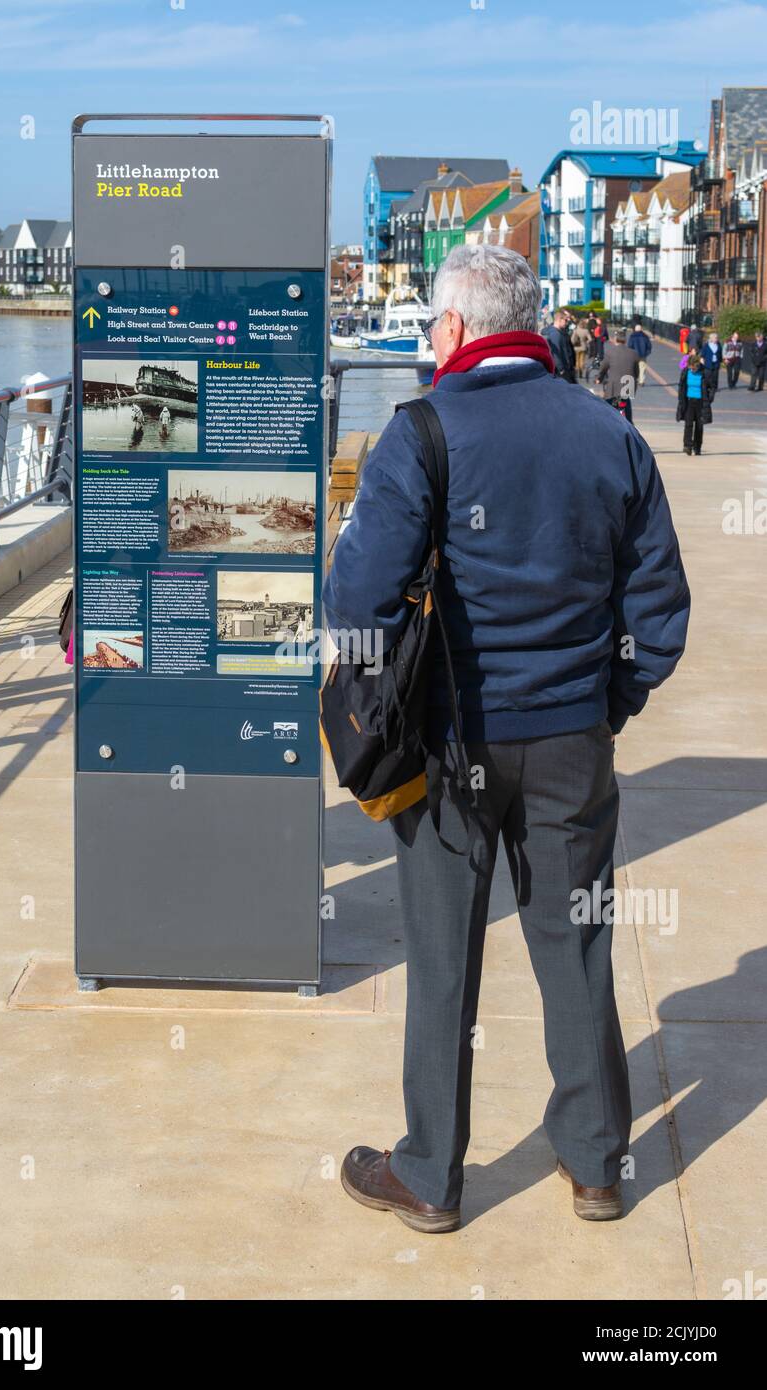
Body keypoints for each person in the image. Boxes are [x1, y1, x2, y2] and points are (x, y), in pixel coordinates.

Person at [324, 244, 690, 1233]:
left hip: (448, 749)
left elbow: (353, 598)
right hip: (572, 738)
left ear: (452, 328)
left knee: (443, 960)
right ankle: (596, 1165)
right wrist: (611, 700)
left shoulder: (423, 432)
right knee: (576, 947)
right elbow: (659, 608)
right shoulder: (609, 434)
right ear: (529, 325)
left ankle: (432, 1176)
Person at [596, 331, 641, 423]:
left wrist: (599, 378)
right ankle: (629, 425)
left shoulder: (610, 352)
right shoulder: (633, 353)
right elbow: (636, 371)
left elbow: (603, 367)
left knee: (612, 407)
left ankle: (613, 425)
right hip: (628, 385)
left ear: (615, 339)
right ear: (625, 340)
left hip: (614, 386)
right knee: (625, 404)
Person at [677, 349, 711, 455]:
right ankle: (687, 446)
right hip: (689, 401)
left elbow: (712, 386)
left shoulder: (705, 372)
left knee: (699, 426)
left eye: (693, 367)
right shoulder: (686, 372)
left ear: (697, 365)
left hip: (701, 402)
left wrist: (709, 398)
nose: (692, 369)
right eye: (690, 367)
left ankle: (697, 447)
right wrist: (681, 398)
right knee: (688, 424)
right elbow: (681, 385)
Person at [544, 308, 576, 382]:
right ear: (559, 320)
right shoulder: (555, 334)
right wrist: (561, 368)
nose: (567, 322)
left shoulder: (559, 332)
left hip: (565, 368)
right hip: (561, 370)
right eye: (565, 320)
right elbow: (556, 352)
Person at [627, 322, 652, 387]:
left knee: (634, 368)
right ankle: (641, 381)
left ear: (635, 329)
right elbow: (649, 346)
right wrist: (646, 353)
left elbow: (630, 346)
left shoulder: (632, 336)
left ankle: (635, 379)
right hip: (643, 355)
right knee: (642, 368)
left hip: (634, 355)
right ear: (641, 329)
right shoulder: (645, 336)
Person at [702, 332, 722, 402]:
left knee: (715, 375)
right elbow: (703, 354)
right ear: (711, 338)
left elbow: (720, 353)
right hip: (708, 364)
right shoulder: (706, 345)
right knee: (707, 375)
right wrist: (702, 361)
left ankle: (714, 388)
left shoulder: (718, 344)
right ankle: (707, 387)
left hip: (716, 363)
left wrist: (720, 361)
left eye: (717, 338)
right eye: (715, 338)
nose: (717, 339)